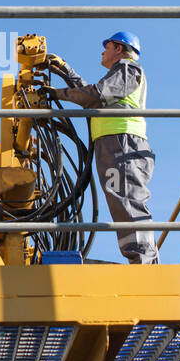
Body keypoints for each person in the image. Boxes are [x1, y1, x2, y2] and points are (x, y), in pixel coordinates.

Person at [45, 32, 158, 264]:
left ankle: (145, 264)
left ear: (118, 48)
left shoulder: (128, 69)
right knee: (121, 201)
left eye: (106, 47)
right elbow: (92, 93)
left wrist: (56, 94)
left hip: (123, 144)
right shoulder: (119, 74)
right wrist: (65, 69)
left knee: (128, 201)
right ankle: (142, 260)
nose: (102, 51)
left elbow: (96, 95)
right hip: (114, 145)